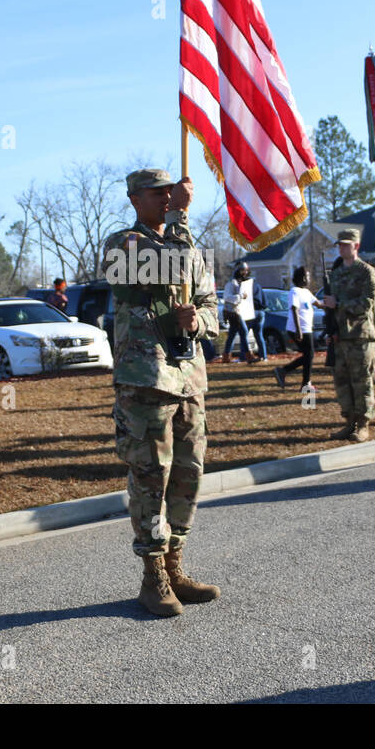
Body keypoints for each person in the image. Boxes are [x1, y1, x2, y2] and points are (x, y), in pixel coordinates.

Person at [101, 168, 221, 617]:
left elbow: (210, 300)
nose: (169, 198)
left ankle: (175, 567)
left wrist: (200, 322)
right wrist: (178, 219)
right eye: (159, 194)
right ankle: (152, 576)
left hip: (188, 376)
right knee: (151, 474)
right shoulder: (124, 243)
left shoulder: (183, 238)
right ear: (136, 198)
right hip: (147, 375)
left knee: (188, 472)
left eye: (172, 193)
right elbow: (170, 266)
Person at [320, 228, 375, 441]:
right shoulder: (335, 275)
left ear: (356, 246)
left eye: (347, 244)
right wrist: (330, 328)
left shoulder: (366, 272)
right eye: (340, 244)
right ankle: (349, 422)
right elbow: (332, 308)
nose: (343, 248)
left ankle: (363, 425)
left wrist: (340, 304)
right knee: (342, 382)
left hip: (360, 336)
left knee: (361, 381)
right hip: (340, 337)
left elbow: (368, 304)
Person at [273, 266, 318, 391]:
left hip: (307, 328)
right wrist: (298, 330)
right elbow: (294, 308)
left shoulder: (306, 292)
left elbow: (318, 303)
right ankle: (305, 383)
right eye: (308, 276)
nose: (309, 278)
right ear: (303, 278)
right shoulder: (294, 291)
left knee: (309, 355)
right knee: (309, 354)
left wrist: (332, 304)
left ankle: (284, 371)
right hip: (298, 329)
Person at [220, 262, 256, 363]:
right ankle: (249, 356)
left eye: (246, 270)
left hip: (239, 312)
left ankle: (226, 356)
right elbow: (226, 297)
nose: (245, 272)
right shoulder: (232, 283)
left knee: (232, 334)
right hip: (233, 312)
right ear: (238, 271)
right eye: (243, 270)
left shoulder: (242, 283)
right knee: (244, 331)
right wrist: (240, 297)